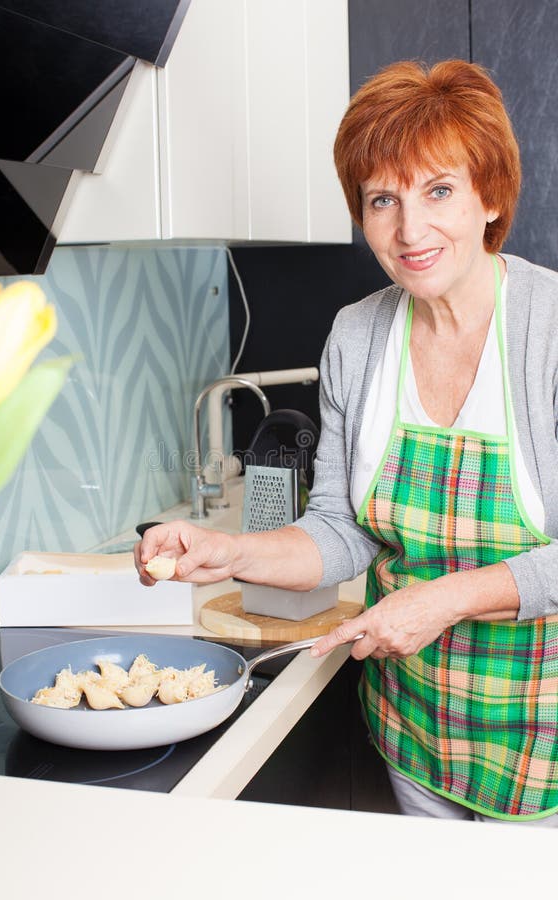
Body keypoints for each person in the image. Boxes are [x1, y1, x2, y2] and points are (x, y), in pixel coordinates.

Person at [135, 59, 558, 825]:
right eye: (381, 200)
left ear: (488, 196)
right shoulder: (358, 336)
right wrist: (229, 553)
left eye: (439, 190)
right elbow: (340, 529)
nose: (410, 229)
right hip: (419, 732)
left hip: (549, 743)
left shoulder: (550, 332)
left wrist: (446, 600)